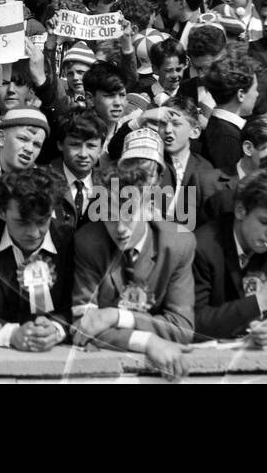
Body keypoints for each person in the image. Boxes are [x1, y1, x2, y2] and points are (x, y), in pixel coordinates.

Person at [70, 128, 196, 380]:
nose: (119, 228)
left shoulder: (180, 243)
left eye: (129, 215)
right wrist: (147, 340)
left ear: (149, 206)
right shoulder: (88, 241)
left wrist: (116, 316)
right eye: (110, 216)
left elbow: (181, 328)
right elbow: (83, 327)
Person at [192, 170, 267, 344]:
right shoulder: (202, 246)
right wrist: (258, 303)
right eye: (265, 222)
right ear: (240, 211)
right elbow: (194, 322)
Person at [0, 166, 73, 352]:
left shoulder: (70, 242)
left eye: (42, 221)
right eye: (22, 222)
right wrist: (10, 335)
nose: (33, 233)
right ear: (0, 211)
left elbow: (79, 305)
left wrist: (58, 329)